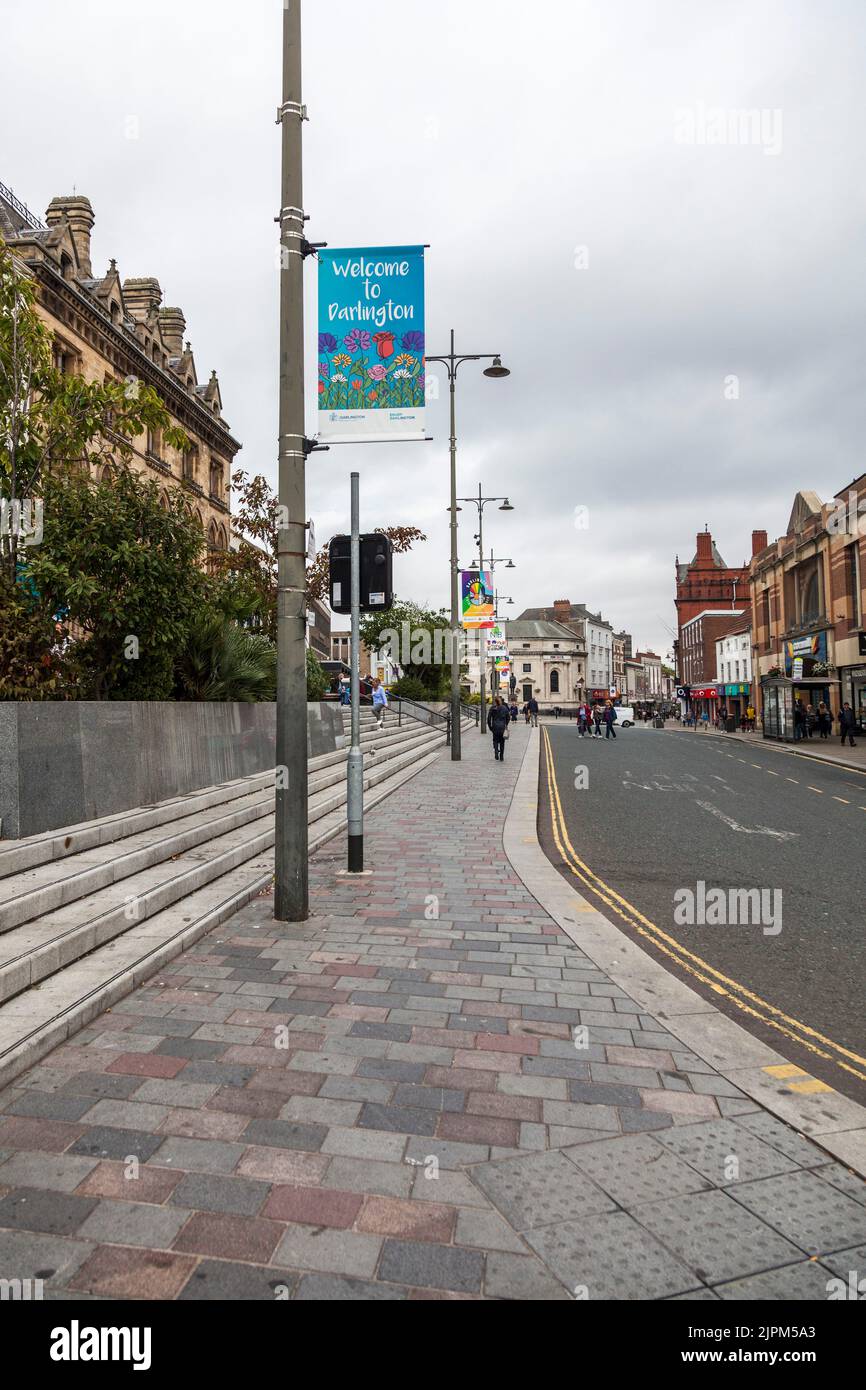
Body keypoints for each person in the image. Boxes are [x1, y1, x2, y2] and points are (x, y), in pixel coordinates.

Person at [487, 695, 510, 760]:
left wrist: (490, 727)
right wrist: (506, 724)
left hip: (495, 726)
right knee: (502, 741)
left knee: (495, 740)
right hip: (502, 727)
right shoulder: (504, 708)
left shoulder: (492, 708)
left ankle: (496, 752)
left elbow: (488, 718)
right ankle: (501, 756)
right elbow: (508, 717)